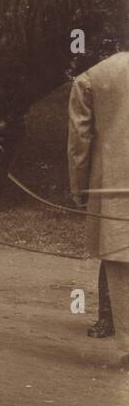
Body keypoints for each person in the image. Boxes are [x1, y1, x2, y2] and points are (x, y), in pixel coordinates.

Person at [68, 50, 129, 369]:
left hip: (115, 187)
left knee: (121, 262)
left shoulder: (94, 77)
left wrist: (79, 189)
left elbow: (80, 141)